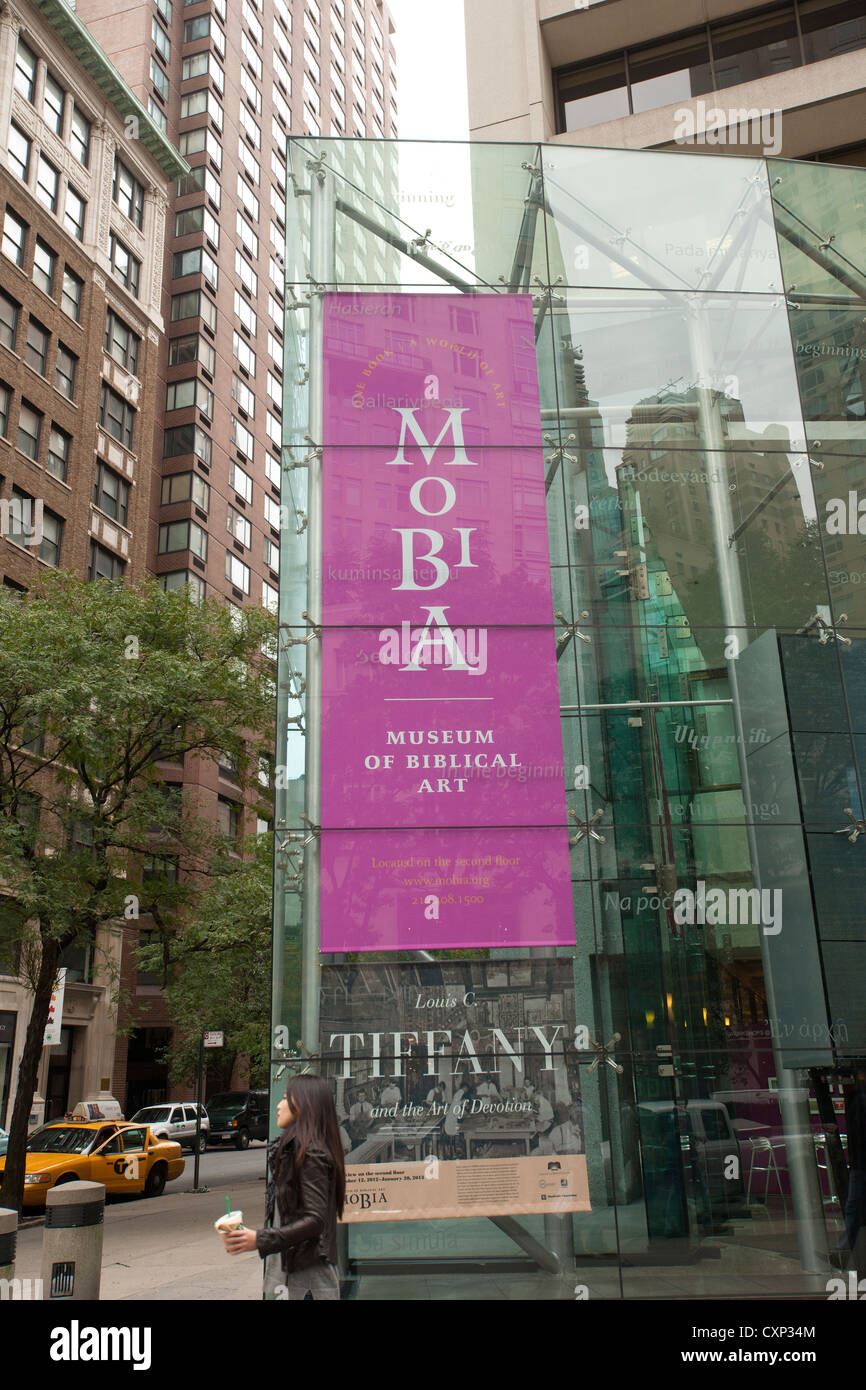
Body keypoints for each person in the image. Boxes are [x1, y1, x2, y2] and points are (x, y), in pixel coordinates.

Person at [223, 1074, 346, 1301]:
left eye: (286, 1098)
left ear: (304, 1104)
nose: (278, 1105)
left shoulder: (310, 1153)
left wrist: (260, 1239)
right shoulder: (295, 1150)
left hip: (307, 1285)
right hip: (294, 1281)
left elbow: (315, 1219)